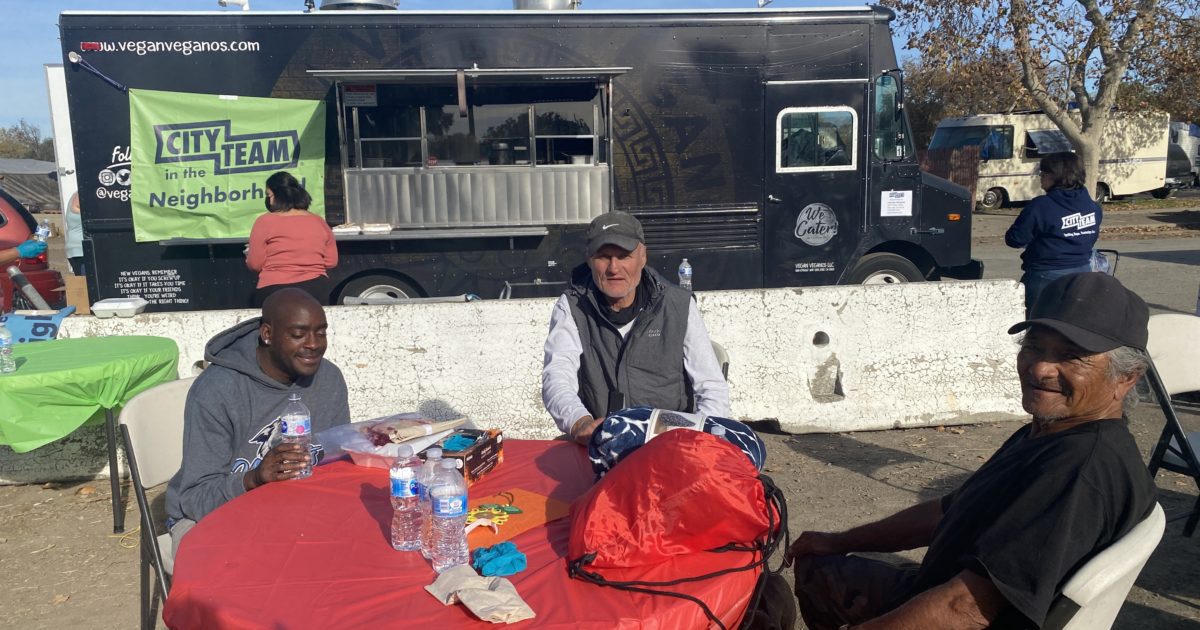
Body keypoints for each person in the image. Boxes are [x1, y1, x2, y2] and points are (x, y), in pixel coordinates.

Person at [787, 272, 1157, 630]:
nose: (1041, 367)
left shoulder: (1077, 472)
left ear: (1127, 377)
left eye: (1072, 356)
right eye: (1034, 347)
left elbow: (967, 609)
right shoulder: (1051, 432)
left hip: (958, 611)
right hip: (935, 590)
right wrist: (838, 541)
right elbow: (949, 511)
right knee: (817, 565)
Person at [165, 288, 351, 552]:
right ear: (267, 335)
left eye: (321, 333)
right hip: (210, 515)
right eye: (298, 334)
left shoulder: (329, 378)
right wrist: (254, 478)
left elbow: (337, 465)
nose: (313, 344)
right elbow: (194, 498)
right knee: (238, 576)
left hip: (297, 509)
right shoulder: (218, 390)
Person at [542, 211, 731, 445]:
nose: (614, 267)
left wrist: (699, 441)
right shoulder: (571, 306)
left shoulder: (678, 304)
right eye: (604, 256)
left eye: (624, 256)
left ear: (642, 257)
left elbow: (711, 386)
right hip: (604, 441)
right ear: (589, 259)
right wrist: (580, 422)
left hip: (671, 443)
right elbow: (557, 374)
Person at [1005, 152, 1101, 313]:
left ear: (1057, 176)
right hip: (1082, 272)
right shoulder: (1093, 207)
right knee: (1071, 322)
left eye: (1044, 172)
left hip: (1045, 275)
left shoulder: (1041, 206)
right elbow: (1090, 238)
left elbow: (1015, 239)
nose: (1040, 177)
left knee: (1036, 326)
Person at [246, 171, 338, 307]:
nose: (269, 201)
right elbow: (331, 262)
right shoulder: (319, 221)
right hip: (316, 290)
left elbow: (255, 264)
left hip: (274, 289)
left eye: (269, 195)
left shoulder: (264, 221)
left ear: (279, 196)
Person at [64, 191, 84, 276]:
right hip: (81, 250)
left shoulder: (76, 194)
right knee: (87, 284)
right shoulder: (81, 195)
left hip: (75, 248)